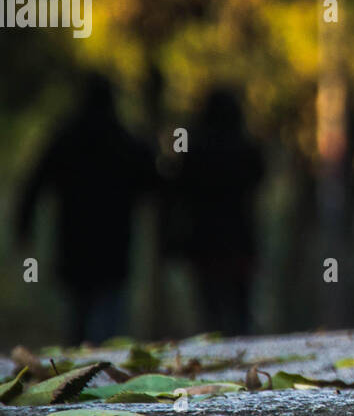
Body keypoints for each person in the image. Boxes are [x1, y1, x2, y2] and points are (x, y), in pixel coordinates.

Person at [15, 72, 158, 345]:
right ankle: (104, 367)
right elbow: (152, 184)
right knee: (110, 321)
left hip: (73, 243)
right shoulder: (124, 140)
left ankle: (78, 370)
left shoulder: (65, 138)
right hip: (114, 244)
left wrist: (23, 227)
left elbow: (35, 183)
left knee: (77, 316)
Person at [170, 87, 264, 336]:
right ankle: (242, 343)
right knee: (239, 303)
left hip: (205, 239)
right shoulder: (246, 147)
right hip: (238, 238)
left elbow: (178, 188)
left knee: (210, 305)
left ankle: (214, 341)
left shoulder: (194, 148)